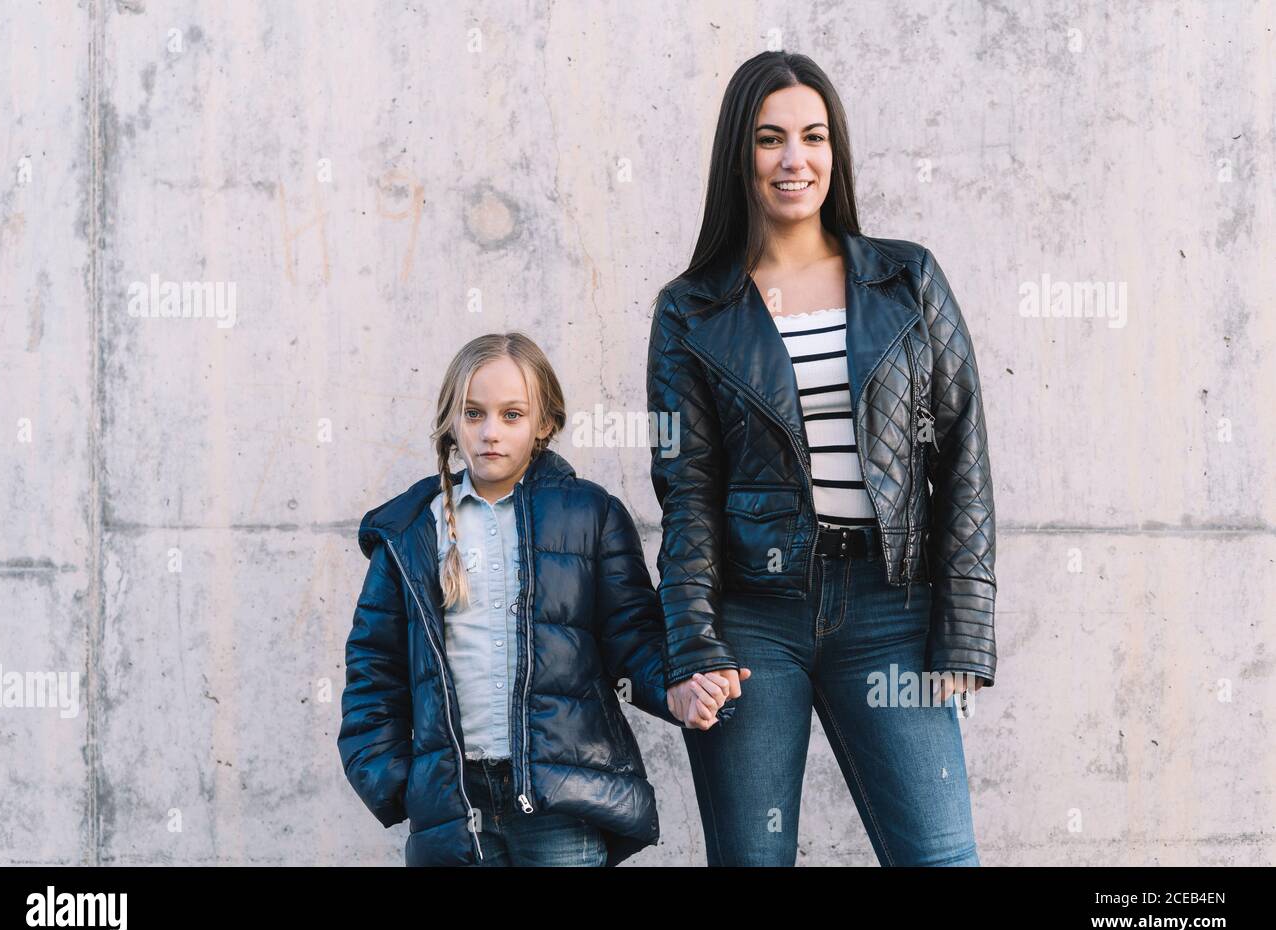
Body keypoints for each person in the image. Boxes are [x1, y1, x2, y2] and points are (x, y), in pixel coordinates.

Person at [646, 51, 998, 865]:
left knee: (941, 857)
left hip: (890, 610)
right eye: (770, 139)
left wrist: (965, 626)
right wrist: (694, 641)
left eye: (813, 136)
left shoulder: (905, 279)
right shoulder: (693, 310)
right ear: (742, 153)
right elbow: (687, 491)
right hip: (751, 619)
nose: (793, 159)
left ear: (835, 151)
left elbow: (963, 451)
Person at [338, 331, 726, 866]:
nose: (490, 432)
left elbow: (631, 640)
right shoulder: (409, 532)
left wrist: (676, 689)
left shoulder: (591, 516)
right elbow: (373, 668)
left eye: (512, 415)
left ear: (544, 424)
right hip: (453, 808)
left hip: (559, 801)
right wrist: (395, 781)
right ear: (452, 420)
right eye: (474, 414)